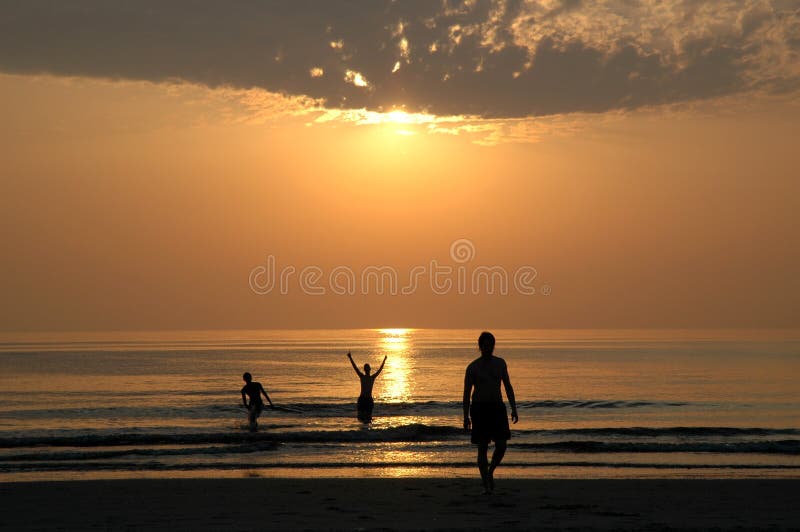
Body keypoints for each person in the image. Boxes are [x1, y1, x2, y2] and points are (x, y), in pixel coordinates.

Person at [463, 331, 518, 494]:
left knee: (501, 445)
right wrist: (466, 417)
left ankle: (490, 472)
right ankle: (486, 485)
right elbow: (466, 393)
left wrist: (514, 408)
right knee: (482, 447)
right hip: (479, 409)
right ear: (480, 347)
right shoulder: (473, 367)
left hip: (497, 408)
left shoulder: (500, 364)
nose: (488, 349)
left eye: (491, 346)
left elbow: (508, 386)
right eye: (485, 346)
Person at [347, 352, 387, 422]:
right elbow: (355, 367)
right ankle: (363, 432)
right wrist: (350, 358)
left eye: (368, 368)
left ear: (370, 369)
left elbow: (380, 370)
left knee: (368, 418)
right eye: (366, 368)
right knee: (360, 418)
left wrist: (384, 360)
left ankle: (368, 432)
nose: (367, 369)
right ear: (365, 370)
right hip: (362, 399)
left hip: (368, 400)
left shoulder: (372, 377)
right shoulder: (362, 376)